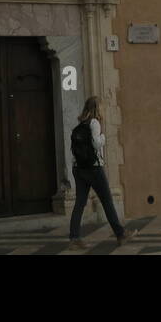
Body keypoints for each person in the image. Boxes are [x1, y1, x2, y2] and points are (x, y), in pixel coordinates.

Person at [68, 97, 134, 250]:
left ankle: (74, 238)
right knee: (107, 201)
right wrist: (104, 137)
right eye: (102, 107)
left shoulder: (81, 124)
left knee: (79, 203)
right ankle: (121, 234)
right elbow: (97, 143)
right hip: (94, 168)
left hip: (79, 169)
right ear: (97, 108)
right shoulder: (94, 123)